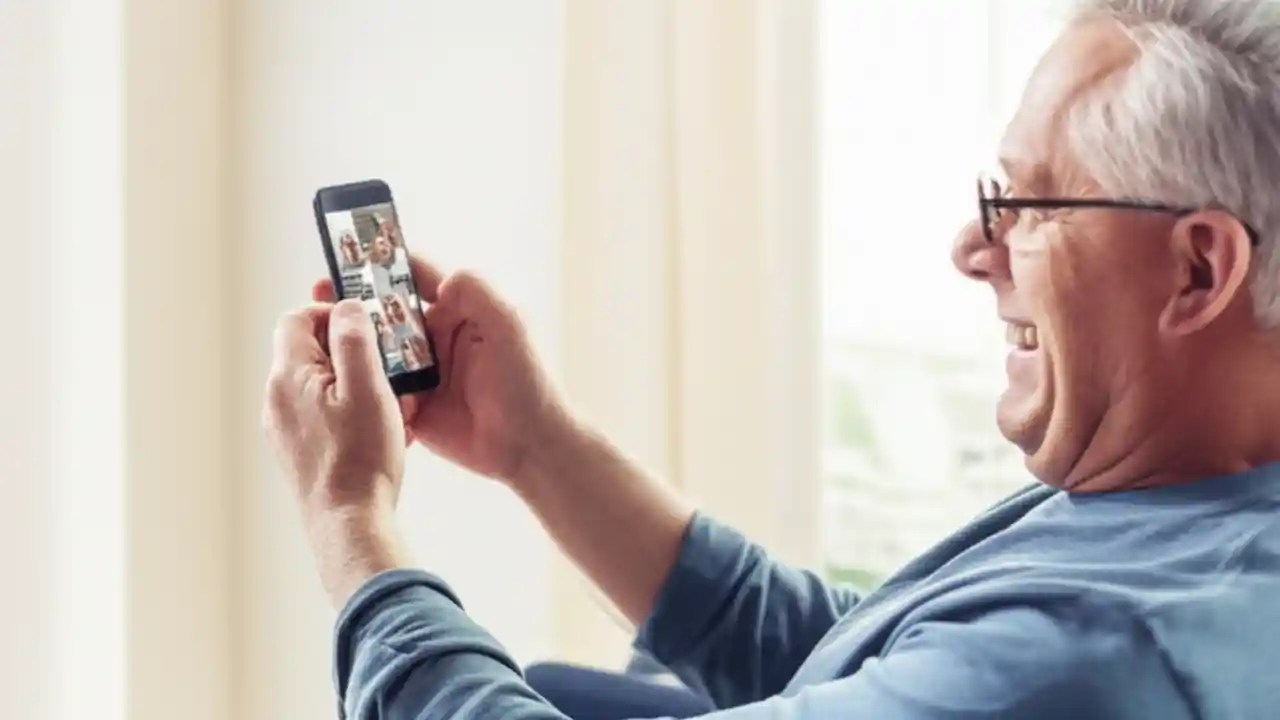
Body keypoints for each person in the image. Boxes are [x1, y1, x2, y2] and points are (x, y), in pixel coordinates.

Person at [262, 1, 1280, 717]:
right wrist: (533, 446)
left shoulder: (1078, 664)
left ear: (1196, 269)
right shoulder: (1187, 504)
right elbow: (863, 656)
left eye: (1024, 206)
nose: (973, 250)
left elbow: (981, 677)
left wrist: (351, 529)